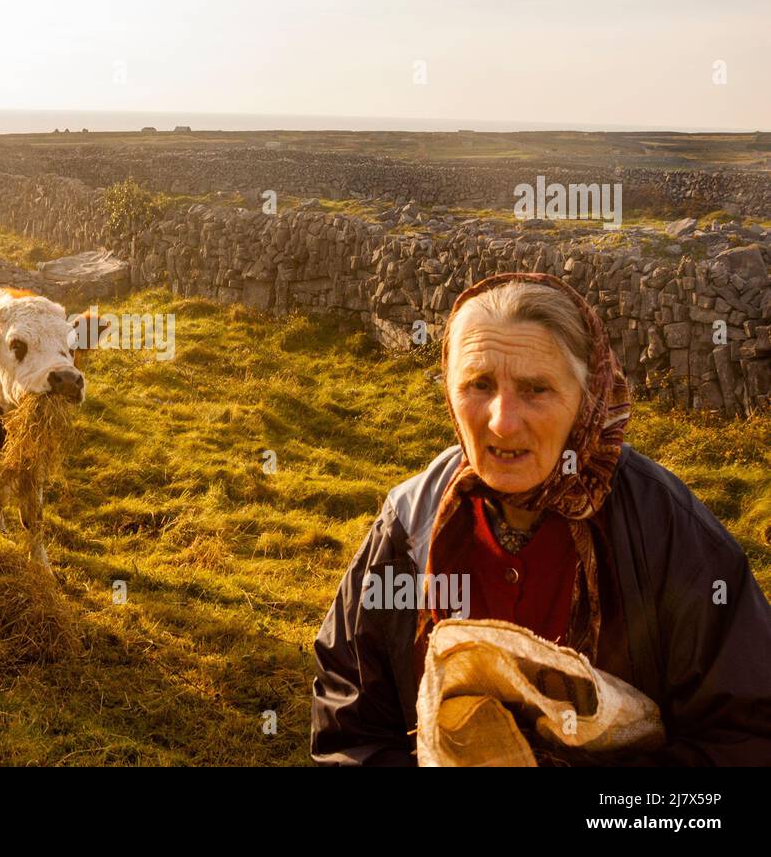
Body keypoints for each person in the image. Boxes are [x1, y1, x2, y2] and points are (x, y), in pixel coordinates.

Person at [310, 271, 771, 765]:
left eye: (536, 389)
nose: (503, 422)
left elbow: (744, 736)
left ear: (587, 397)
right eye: (479, 384)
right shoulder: (407, 521)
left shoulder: (668, 532)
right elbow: (350, 718)